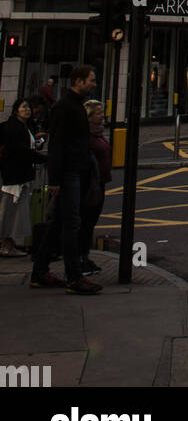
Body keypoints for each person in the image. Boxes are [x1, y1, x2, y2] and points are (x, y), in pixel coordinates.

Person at [30, 64, 103, 294]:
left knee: (59, 223)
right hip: (68, 173)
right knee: (72, 224)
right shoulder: (64, 107)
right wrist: (54, 180)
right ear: (78, 81)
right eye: (91, 80)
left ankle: (39, 272)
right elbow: (57, 145)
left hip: (75, 172)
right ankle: (74, 277)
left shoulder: (76, 106)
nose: (94, 84)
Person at [0, 99, 46, 255]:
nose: (27, 110)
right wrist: (44, 158)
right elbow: (22, 151)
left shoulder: (25, 126)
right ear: (16, 110)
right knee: (9, 210)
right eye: (23, 107)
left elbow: (28, 147)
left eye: (28, 107)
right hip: (14, 175)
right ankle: (5, 244)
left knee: (17, 211)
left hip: (22, 175)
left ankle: (9, 242)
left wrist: (38, 143)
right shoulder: (14, 128)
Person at [78, 101, 112, 275]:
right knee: (84, 222)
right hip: (89, 185)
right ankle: (79, 261)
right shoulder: (85, 136)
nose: (102, 116)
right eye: (99, 113)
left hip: (99, 183)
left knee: (90, 223)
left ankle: (85, 257)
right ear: (89, 117)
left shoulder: (97, 134)